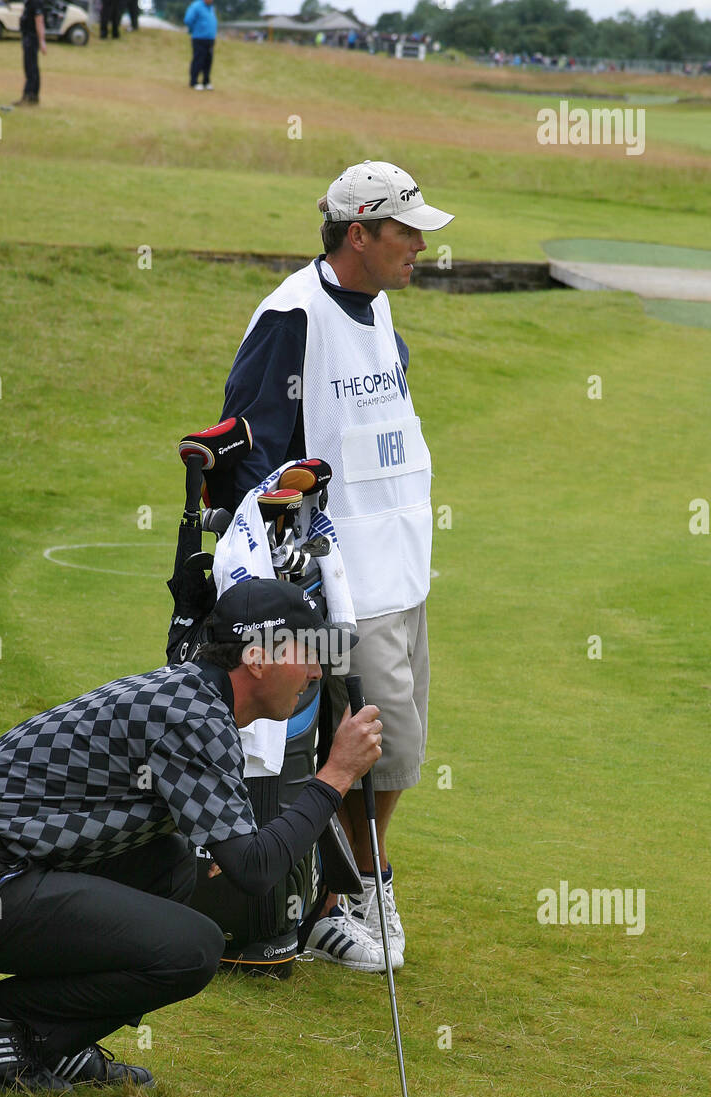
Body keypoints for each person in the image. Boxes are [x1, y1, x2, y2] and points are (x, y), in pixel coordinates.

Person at [0, 580, 381, 1094]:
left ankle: (50, 1042)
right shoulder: (194, 713)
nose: (314, 672)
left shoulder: (193, 697)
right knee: (194, 948)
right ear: (258, 658)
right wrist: (336, 775)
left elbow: (238, 852)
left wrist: (238, 842)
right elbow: (255, 870)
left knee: (168, 864)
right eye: (306, 653)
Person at [217, 160, 454, 974]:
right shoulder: (294, 315)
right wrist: (272, 572)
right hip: (341, 573)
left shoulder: (379, 309)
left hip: (403, 565)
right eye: (405, 230)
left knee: (396, 748)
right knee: (374, 742)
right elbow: (249, 445)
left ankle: (343, 890)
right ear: (360, 231)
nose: (420, 245)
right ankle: (353, 890)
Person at [183, 0, 216, 91]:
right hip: (199, 38)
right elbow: (188, 20)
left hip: (210, 39)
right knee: (198, 60)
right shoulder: (196, 6)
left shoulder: (211, 7)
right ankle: (194, 82)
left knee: (208, 61)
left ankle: (206, 81)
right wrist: (195, 30)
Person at [18, 0, 46, 106]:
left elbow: (39, 21)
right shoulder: (29, 2)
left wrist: (42, 41)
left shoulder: (36, 2)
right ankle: (33, 96)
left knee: (31, 68)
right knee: (31, 67)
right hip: (28, 37)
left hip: (31, 38)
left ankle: (29, 96)